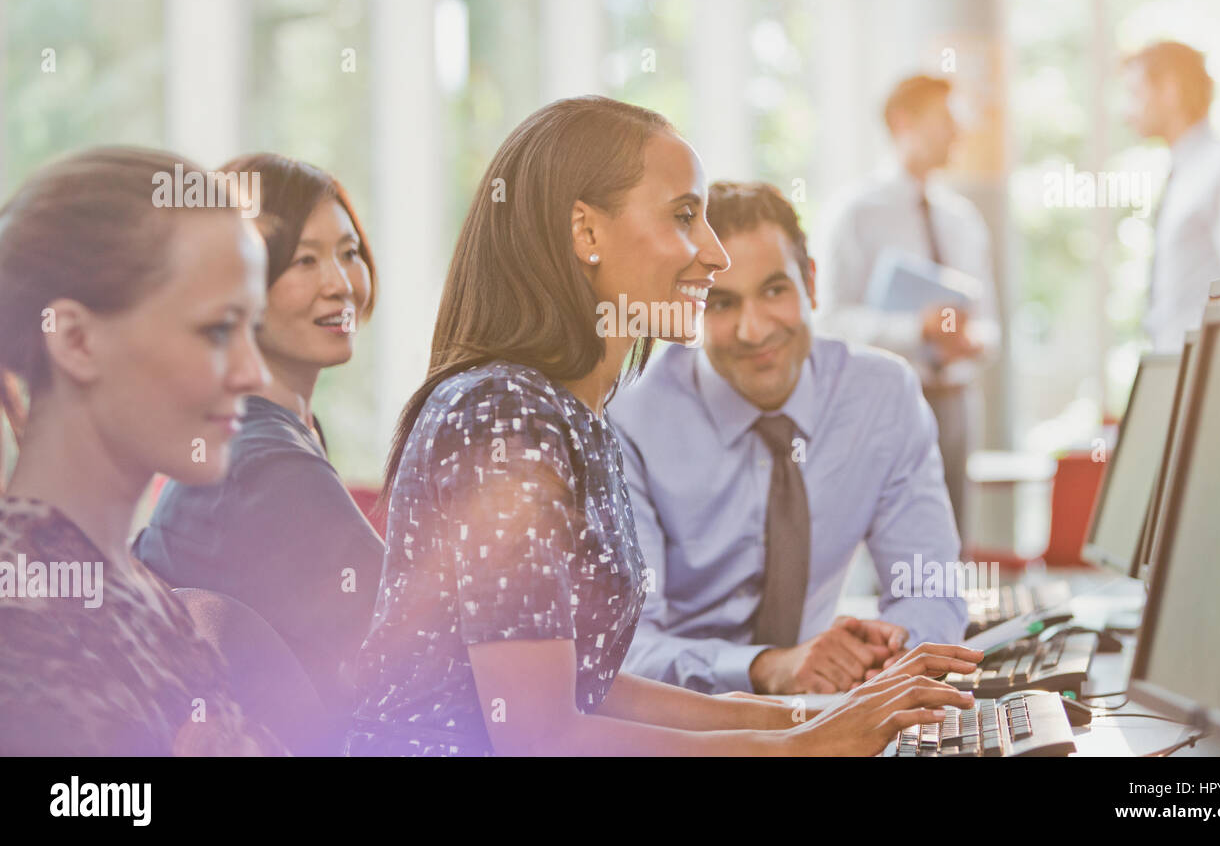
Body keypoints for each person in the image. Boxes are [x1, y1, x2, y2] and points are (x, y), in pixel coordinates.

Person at [347, 95, 981, 756]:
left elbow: (592, 689)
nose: (711, 253)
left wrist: (805, 721)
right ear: (586, 234)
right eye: (685, 217)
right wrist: (800, 747)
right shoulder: (506, 416)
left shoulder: (570, 417)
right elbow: (538, 737)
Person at [610, 181, 966, 696]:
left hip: (823, 711)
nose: (753, 331)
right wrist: (769, 667)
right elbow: (625, 650)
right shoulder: (629, 418)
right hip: (682, 729)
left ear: (812, 285)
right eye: (722, 303)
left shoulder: (881, 397)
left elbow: (928, 586)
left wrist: (894, 649)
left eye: (775, 290)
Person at [0, 146, 285, 755]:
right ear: (76, 340)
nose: (253, 373)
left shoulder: (129, 589)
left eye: (252, 331)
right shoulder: (21, 618)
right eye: (216, 330)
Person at [135, 154, 384, 747]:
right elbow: (422, 639)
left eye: (349, 253)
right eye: (305, 260)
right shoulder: (262, 461)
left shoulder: (265, 433)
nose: (340, 283)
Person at [815, 75, 1000, 540]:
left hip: (956, 403)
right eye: (944, 120)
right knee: (890, 547)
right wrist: (916, 329)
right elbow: (830, 323)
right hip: (886, 404)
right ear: (904, 122)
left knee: (950, 545)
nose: (956, 133)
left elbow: (992, 326)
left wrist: (971, 343)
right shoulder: (855, 213)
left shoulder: (961, 220)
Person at [1123, 41, 1220, 353]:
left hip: (1212, 377)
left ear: (1170, 90)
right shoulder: (1180, 173)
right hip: (1175, 370)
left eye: (1135, 94)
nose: (1127, 112)